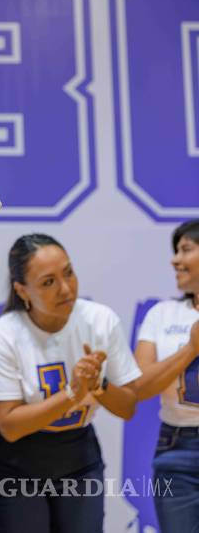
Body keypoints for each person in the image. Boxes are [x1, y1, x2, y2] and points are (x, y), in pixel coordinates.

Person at [0, 234, 140, 532]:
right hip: (15, 466)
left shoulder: (101, 321)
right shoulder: (3, 335)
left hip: (78, 457)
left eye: (68, 273)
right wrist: (73, 393)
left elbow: (129, 407)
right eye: (48, 282)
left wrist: (98, 385)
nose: (66, 288)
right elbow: (10, 426)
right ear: (22, 290)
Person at [131, 219, 199, 532]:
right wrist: (190, 349)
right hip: (177, 447)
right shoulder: (161, 314)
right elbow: (138, 387)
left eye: (186, 249)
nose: (174, 259)